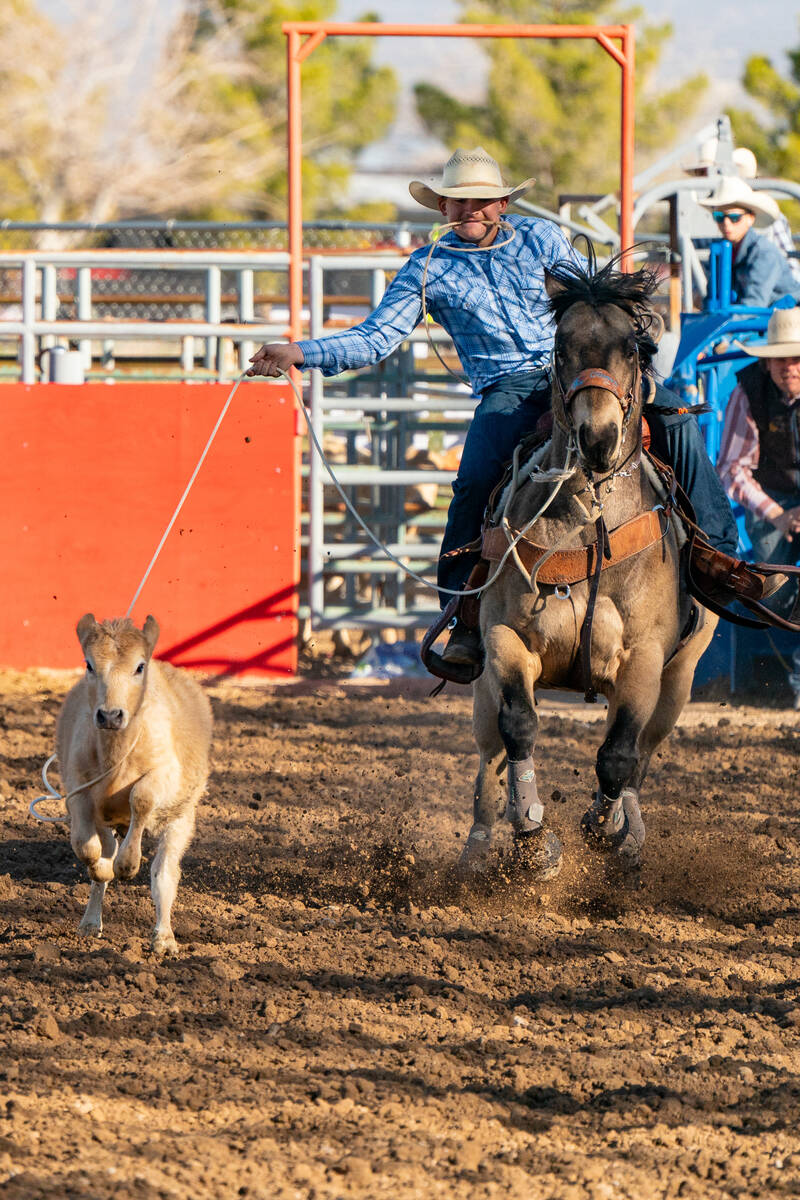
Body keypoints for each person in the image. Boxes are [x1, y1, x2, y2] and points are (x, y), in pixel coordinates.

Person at [249, 147, 738, 668]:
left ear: (502, 203)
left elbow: (590, 300)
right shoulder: (427, 267)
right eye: (457, 202)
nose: (470, 211)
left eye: (481, 201)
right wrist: (299, 352)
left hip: (578, 368)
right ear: (441, 208)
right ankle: (463, 615)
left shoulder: (542, 239)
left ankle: (719, 554)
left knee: (677, 424)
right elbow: (376, 337)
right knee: (475, 479)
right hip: (508, 388)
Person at [698, 176, 800, 308]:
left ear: (750, 218)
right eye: (719, 217)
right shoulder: (721, 251)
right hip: (759, 318)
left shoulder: (764, 253)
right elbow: (713, 298)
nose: (726, 224)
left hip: (786, 321)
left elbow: (754, 305)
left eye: (734, 217)